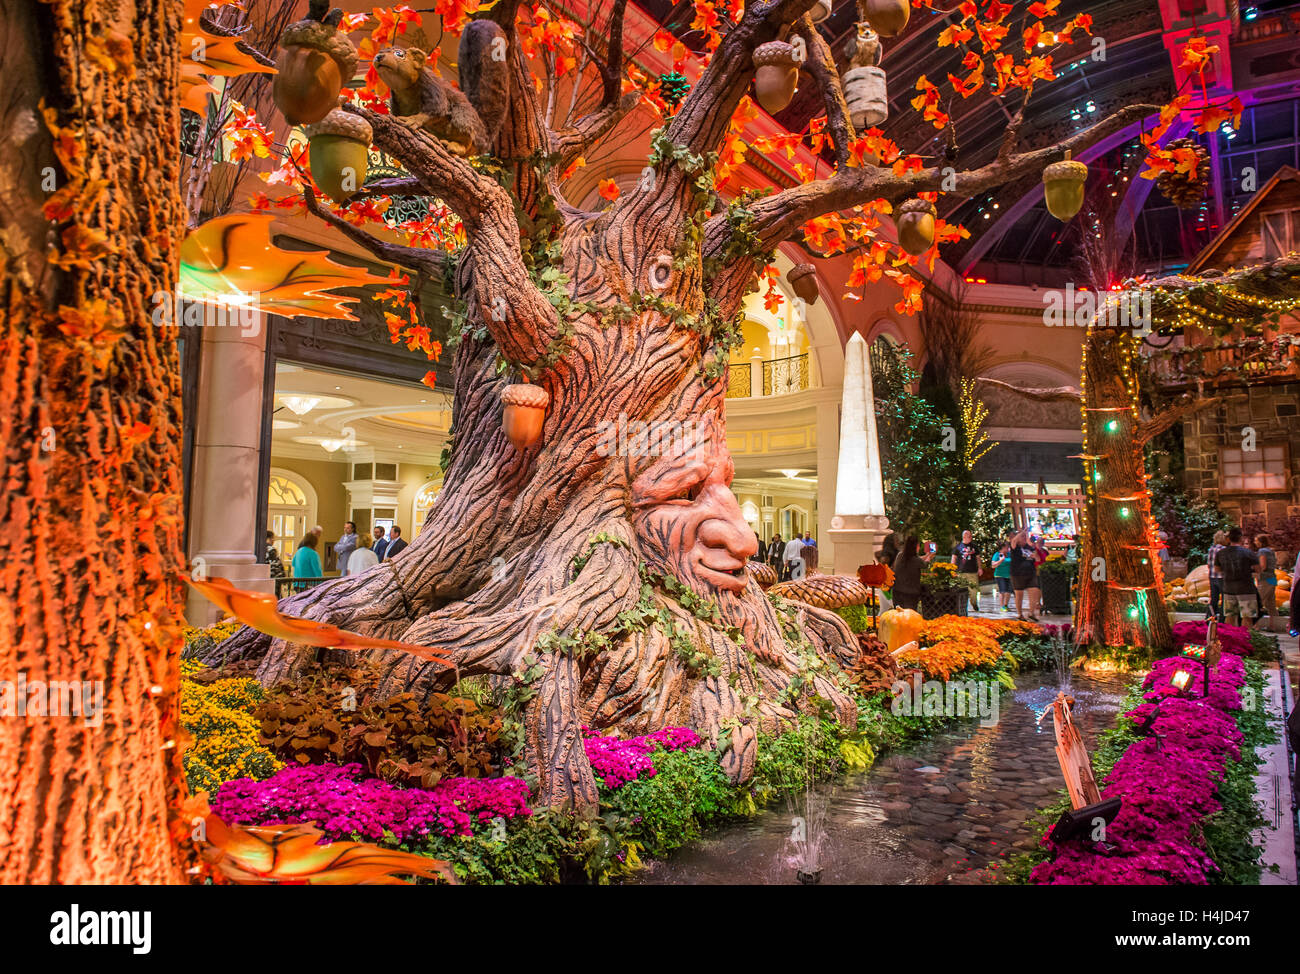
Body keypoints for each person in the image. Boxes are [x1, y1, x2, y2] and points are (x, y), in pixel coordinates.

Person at [1215, 527, 1258, 627]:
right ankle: (1244, 639)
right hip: (1246, 588)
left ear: (1228, 539)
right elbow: (1258, 569)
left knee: (1229, 616)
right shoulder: (1248, 553)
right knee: (1247, 617)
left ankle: (1230, 639)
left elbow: (1217, 570)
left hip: (1228, 588)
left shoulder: (1221, 553)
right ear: (1241, 538)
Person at [1009, 528, 1040, 621]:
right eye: (1021, 536)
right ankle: (1019, 614)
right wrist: (1022, 532)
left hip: (1030, 573)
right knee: (1019, 594)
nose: (1023, 538)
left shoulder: (1029, 547)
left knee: (1034, 591)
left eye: (1024, 536)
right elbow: (1013, 541)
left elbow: (1037, 559)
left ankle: (1031, 613)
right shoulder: (1015, 547)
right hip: (1017, 573)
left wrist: (1035, 556)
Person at [950, 529, 981, 612]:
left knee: (973, 591)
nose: (971, 537)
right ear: (964, 536)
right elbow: (953, 559)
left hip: (972, 572)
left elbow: (978, 558)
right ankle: (962, 607)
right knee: (961, 591)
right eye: (969, 536)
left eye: (971, 536)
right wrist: (952, 570)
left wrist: (980, 568)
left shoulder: (974, 547)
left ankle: (974, 603)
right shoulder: (957, 547)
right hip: (961, 573)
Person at [892, 536, 924, 611]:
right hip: (911, 594)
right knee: (909, 616)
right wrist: (929, 556)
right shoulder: (916, 560)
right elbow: (923, 564)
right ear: (916, 546)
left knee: (898, 615)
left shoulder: (900, 556)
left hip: (897, 591)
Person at [1255, 533, 1278, 631]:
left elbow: (1263, 566)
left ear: (1260, 542)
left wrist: (1254, 571)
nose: (1254, 542)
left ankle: (1256, 626)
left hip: (1265, 579)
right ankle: (1272, 625)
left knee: (1259, 601)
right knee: (1271, 603)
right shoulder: (1271, 551)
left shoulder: (1262, 551)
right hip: (1272, 578)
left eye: (1256, 540)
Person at [1206, 530, 1227, 623]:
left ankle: (1210, 617)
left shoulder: (1211, 549)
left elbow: (1208, 563)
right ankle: (1222, 619)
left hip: (1212, 576)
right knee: (1224, 598)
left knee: (1213, 598)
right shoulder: (1223, 550)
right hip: (1221, 577)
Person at [991, 540, 1013, 612]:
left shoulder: (1009, 554)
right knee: (1002, 590)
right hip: (1000, 575)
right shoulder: (997, 554)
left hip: (1009, 575)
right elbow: (993, 565)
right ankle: (1002, 606)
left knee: (1008, 591)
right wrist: (1001, 560)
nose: (1008, 548)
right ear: (1003, 547)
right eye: (1007, 547)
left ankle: (1006, 605)